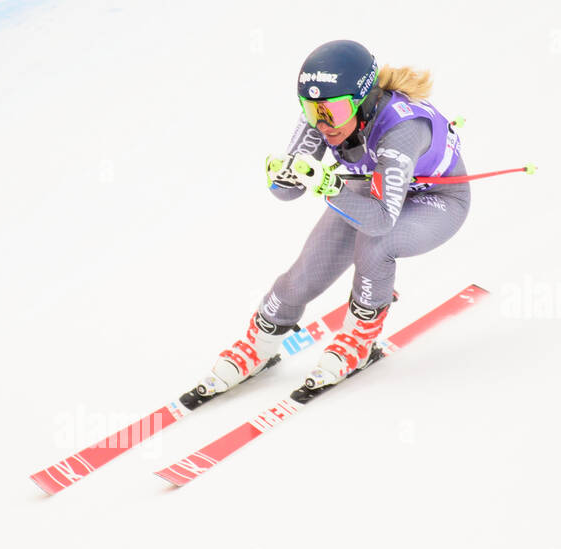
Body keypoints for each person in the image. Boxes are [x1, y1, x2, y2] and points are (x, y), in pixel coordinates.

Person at [198, 39, 470, 395]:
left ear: (366, 101)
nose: (324, 124)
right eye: (313, 111)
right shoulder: (326, 115)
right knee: (304, 274)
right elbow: (287, 192)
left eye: (333, 112)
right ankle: (261, 341)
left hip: (436, 201)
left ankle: (361, 335)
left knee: (377, 245)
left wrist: (329, 186)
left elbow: (381, 222)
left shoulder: (403, 130)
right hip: (370, 193)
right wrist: (282, 174)